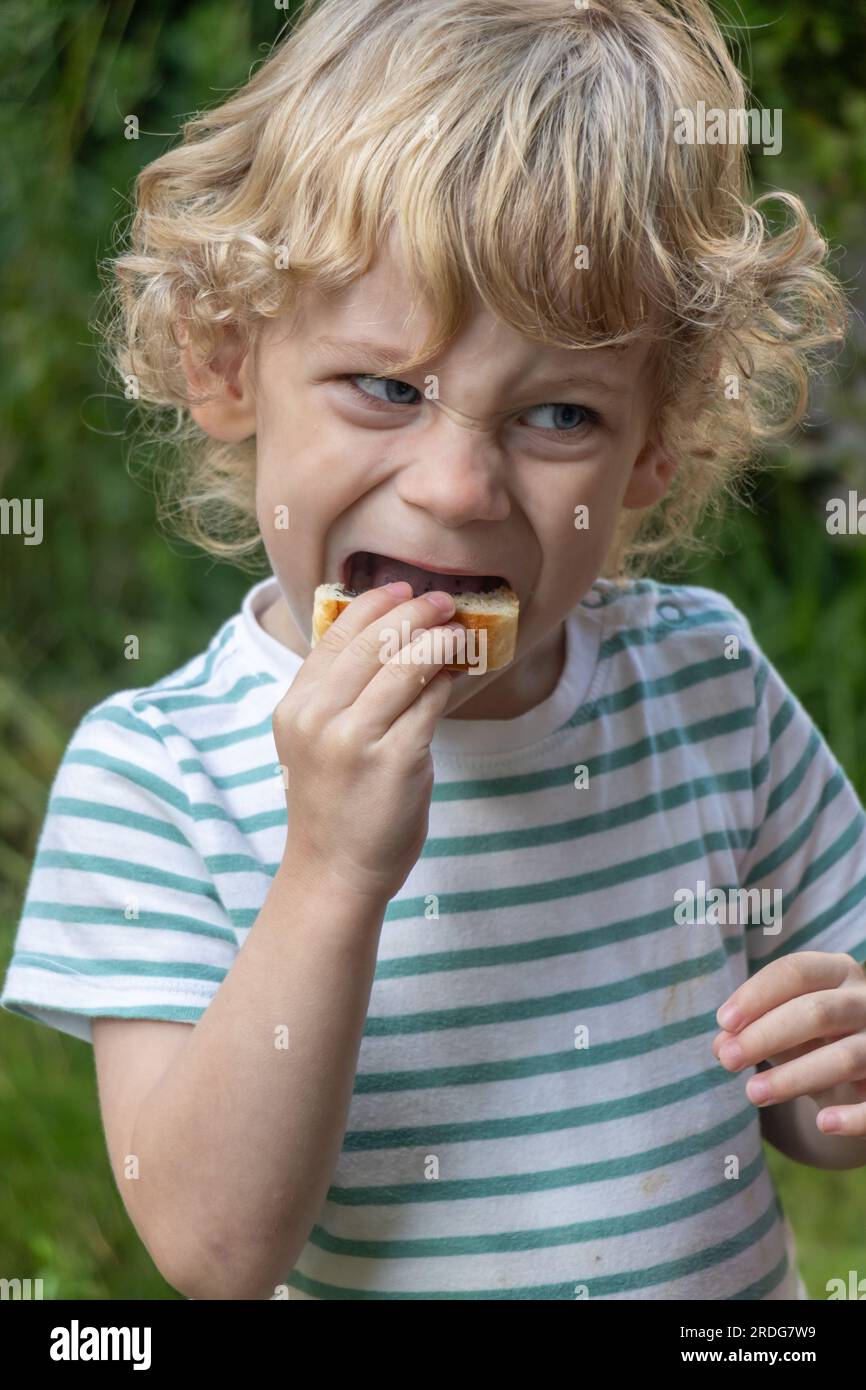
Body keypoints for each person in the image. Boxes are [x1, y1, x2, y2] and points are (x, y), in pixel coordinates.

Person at [4, 0, 866, 1301]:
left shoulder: (708, 684)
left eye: (558, 410)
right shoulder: (157, 778)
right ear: (226, 361)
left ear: (650, 444)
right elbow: (216, 1249)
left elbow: (805, 1089)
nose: (458, 487)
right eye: (386, 388)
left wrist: (834, 1073)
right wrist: (331, 873)